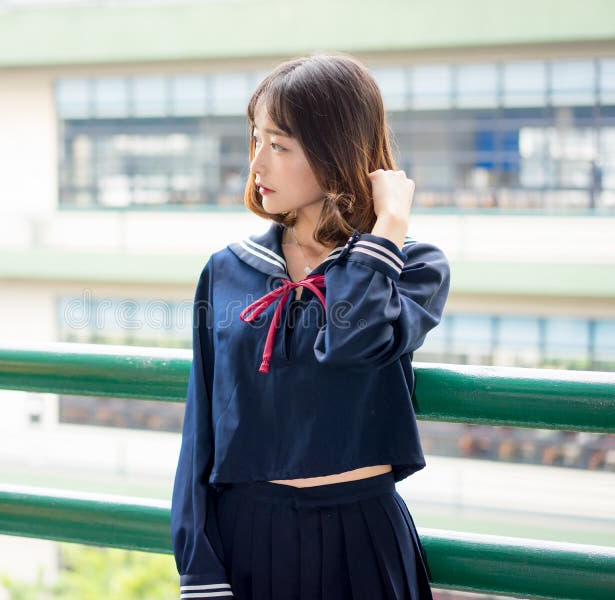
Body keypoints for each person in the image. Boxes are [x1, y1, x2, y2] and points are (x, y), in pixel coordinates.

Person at [170, 53, 451, 600]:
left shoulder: (413, 267)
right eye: (256, 141)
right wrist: (199, 569)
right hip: (251, 536)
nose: (257, 166)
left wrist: (385, 228)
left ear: (335, 150)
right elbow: (199, 432)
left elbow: (353, 340)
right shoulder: (228, 269)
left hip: (363, 538)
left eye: (278, 146)